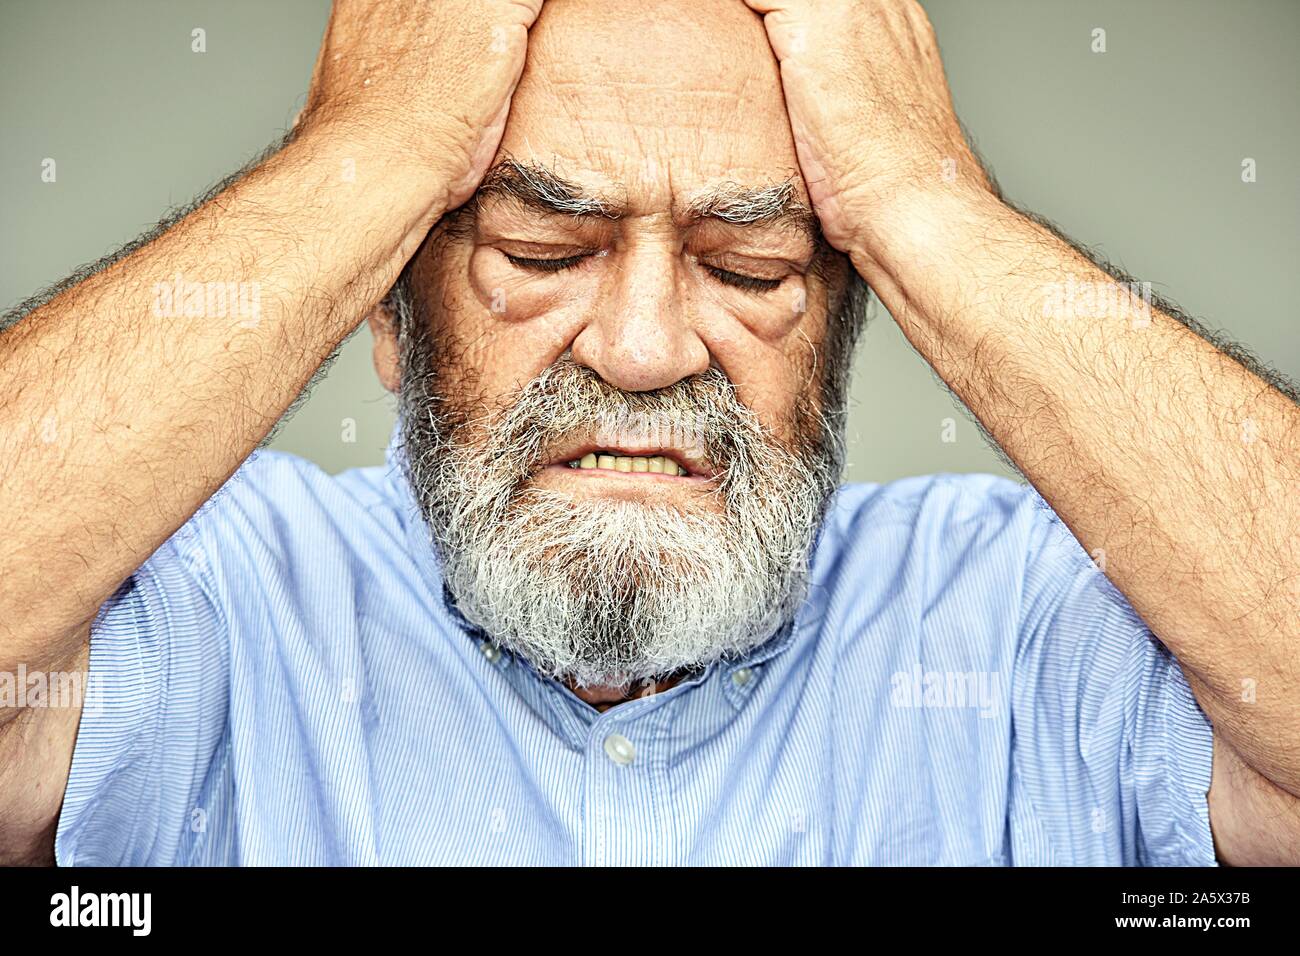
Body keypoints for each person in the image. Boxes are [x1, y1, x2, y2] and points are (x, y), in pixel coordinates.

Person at [1, 0, 1296, 866]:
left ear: (854, 329)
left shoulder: (1024, 628)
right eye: (541, 251)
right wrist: (374, 146)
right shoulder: (224, 606)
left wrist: (924, 197)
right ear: (385, 314)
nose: (641, 349)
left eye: (750, 269)